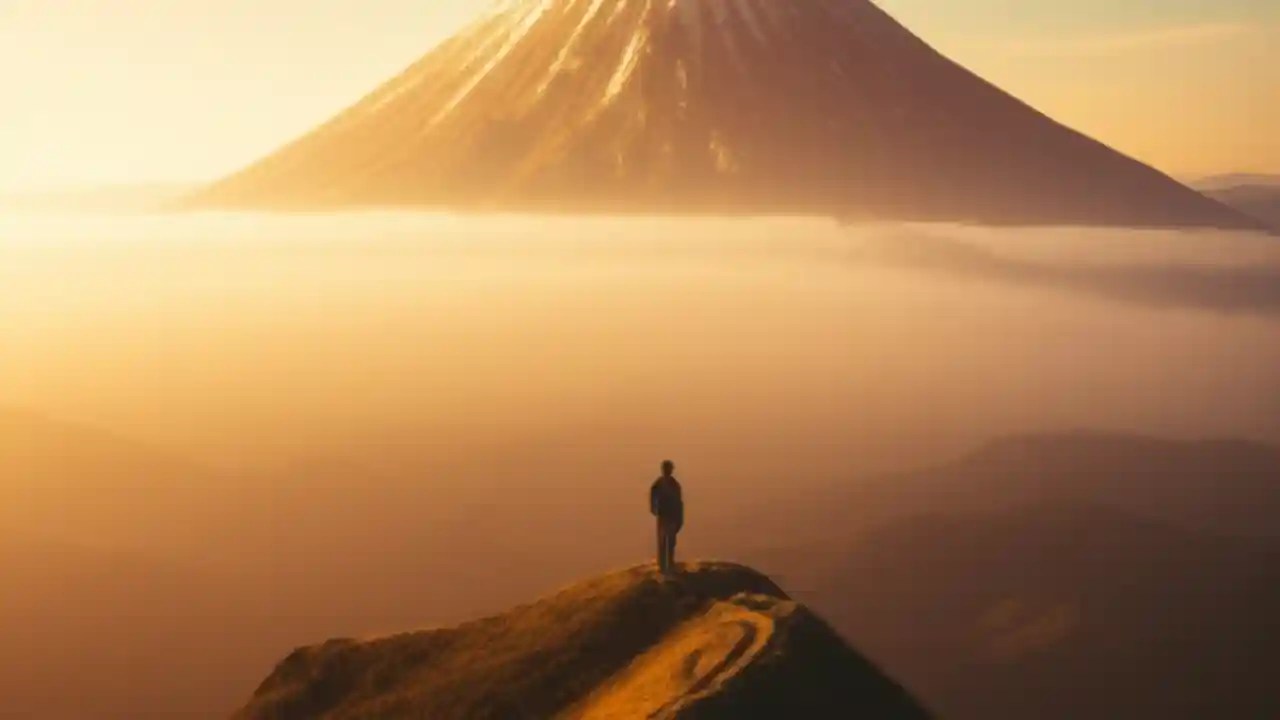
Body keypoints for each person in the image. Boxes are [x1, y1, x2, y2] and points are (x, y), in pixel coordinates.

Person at [650, 460, 684, 576]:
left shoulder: (674, 485)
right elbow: (653, 494)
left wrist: (680, 519)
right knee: (662, 541)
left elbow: (679, 503)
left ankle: (669, 564)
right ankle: (663, 565)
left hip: (671, 516)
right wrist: (654, 507)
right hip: (663, 515)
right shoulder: (660, 483)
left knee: (670, 541)